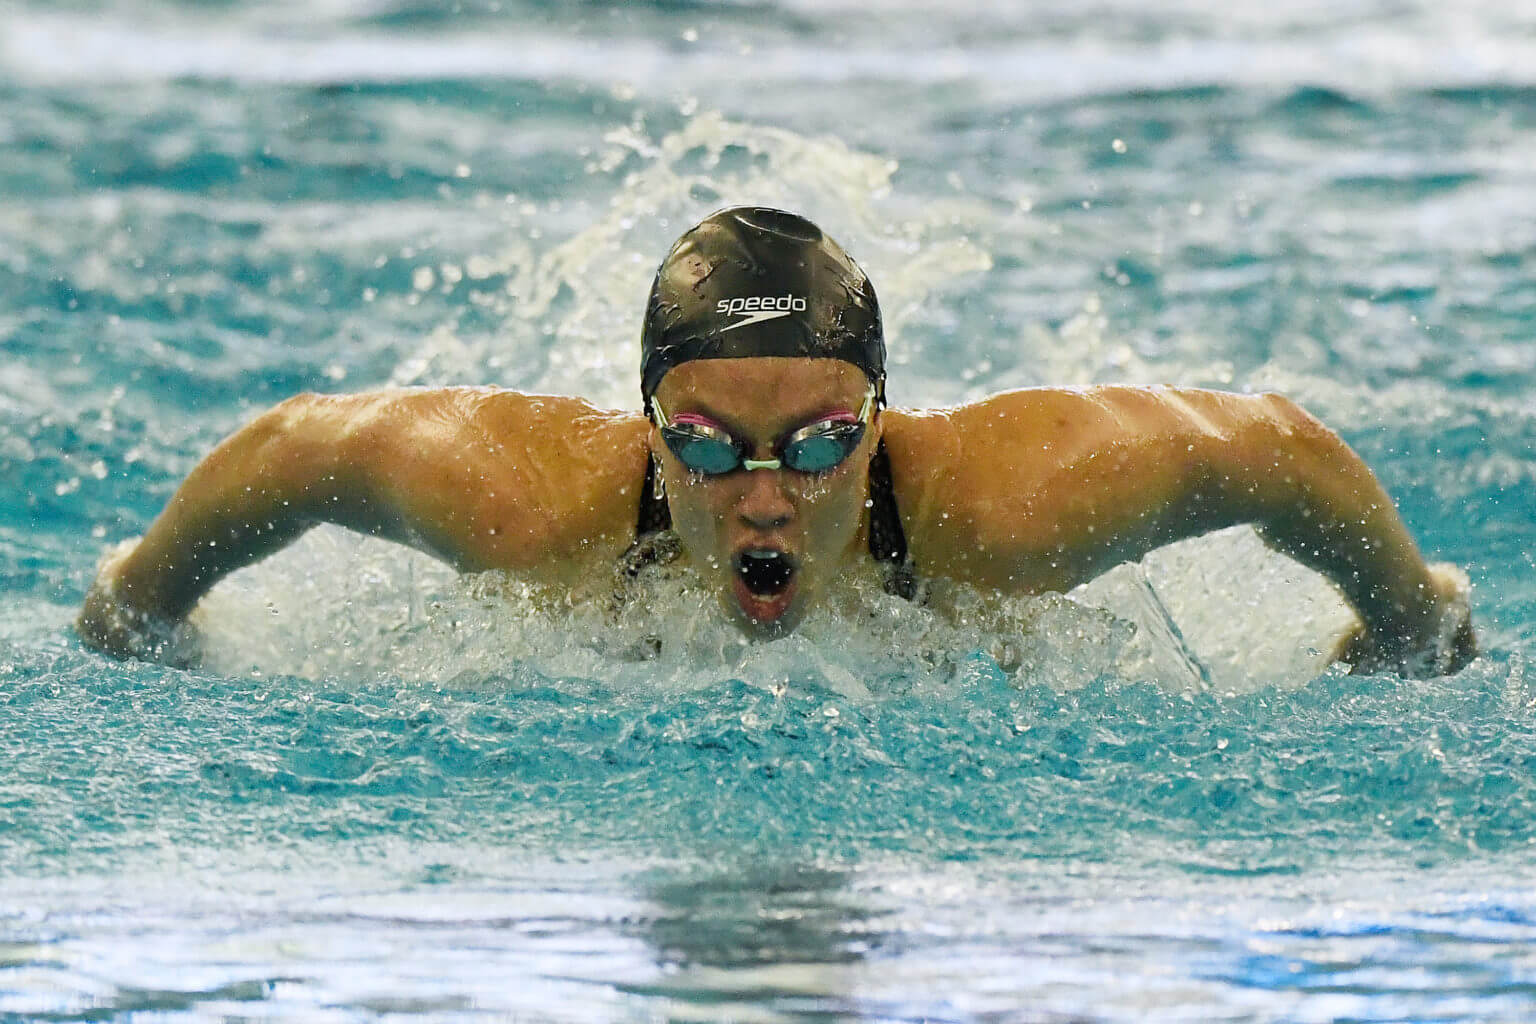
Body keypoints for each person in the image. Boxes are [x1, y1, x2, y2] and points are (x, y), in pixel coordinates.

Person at [77, 206, 1476, 677]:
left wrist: (1408, 623)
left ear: (879, 422)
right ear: (646, 430)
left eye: (817, 447)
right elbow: (301, 448)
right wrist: (139, 604)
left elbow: (1275, 450)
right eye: (708, 444)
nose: (765, 496)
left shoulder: (1001, 506)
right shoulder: (533, 506)